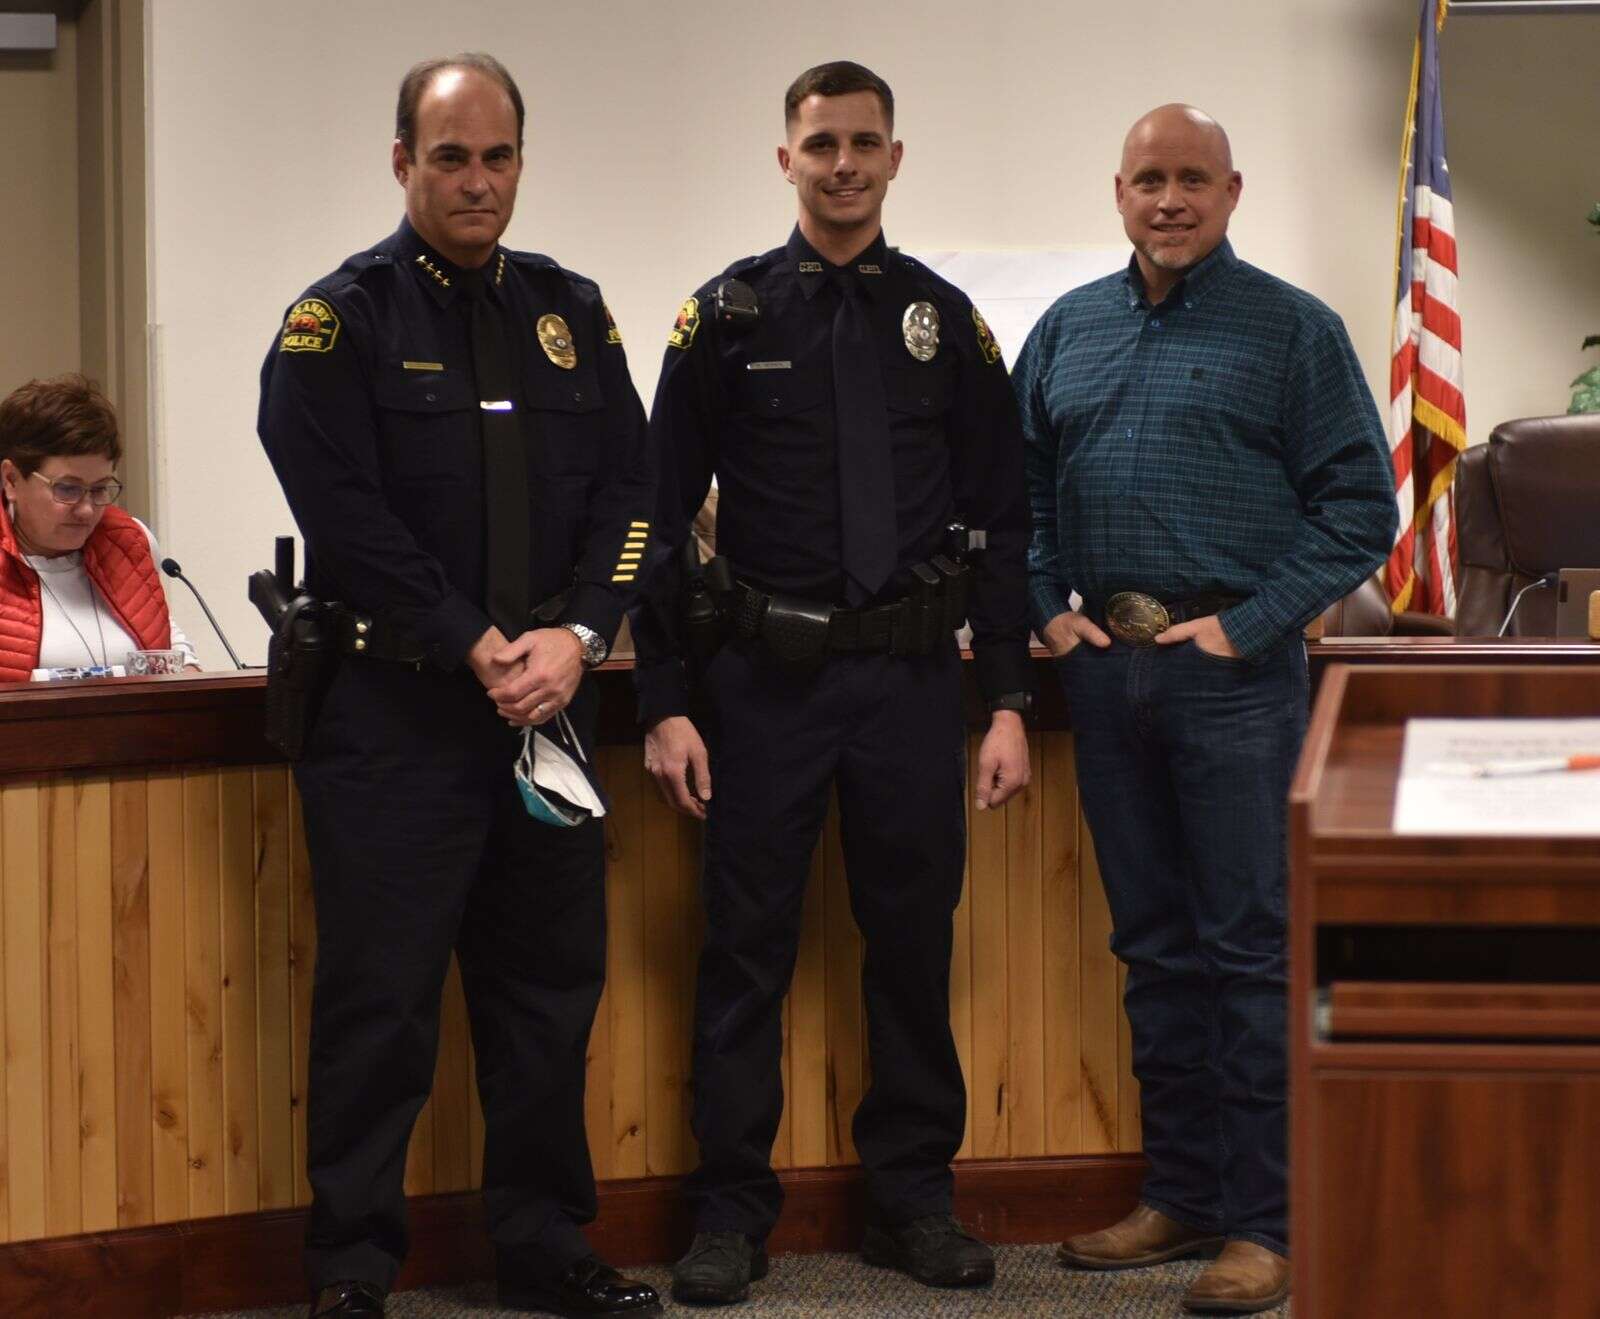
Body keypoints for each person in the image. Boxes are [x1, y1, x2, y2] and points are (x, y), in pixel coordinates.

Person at [256, 53, 659, 1319]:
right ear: (401, 163)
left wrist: (582, 633)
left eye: (496, 157)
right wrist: (470, 634)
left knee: (547, 997)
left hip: (549, 712)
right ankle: (353, 1265)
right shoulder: (343, 318)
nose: (475, 181)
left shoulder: (572, 309)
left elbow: (634, 494)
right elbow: (340, 507)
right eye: (449, 157)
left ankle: (544, 1244)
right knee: (380, 1002)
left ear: (520, 164)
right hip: (397, 718)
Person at [635, 60, 1034, 1307]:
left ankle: (913, 1198)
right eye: (822, 143)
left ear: (895, 159)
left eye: (865, 142)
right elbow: (649, 521)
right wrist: (662, 698)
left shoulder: (947, 321)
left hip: (910, 684)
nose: (844, 163)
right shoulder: (726, 317)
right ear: (786, 159)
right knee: (743, 952)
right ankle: (729, 1213)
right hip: (762, 680)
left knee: (911, 949)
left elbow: (1002, 521)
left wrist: (1009, 696)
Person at [1012, 104, 1397, 1314]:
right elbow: (1014, 491)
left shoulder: (1292, 330)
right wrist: (1044, 605)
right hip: (1106, 672)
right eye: (1147, 180)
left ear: (1231, 192)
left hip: (1234, 673)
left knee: (1246, 949)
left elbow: (1359, 511)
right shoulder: (1065, 329)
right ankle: (1177, 1193)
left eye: (1191, 179)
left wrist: (1248, 621)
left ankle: (1264, 1221)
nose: (1168, 199)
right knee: (1153, 950)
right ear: (1115, 192)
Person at [0, 373, 197, 680]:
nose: (87, 509)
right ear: (11, 480)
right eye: (67, 489)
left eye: (100, 488)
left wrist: (190, 671)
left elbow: (170, 647)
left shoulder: (131, 541)